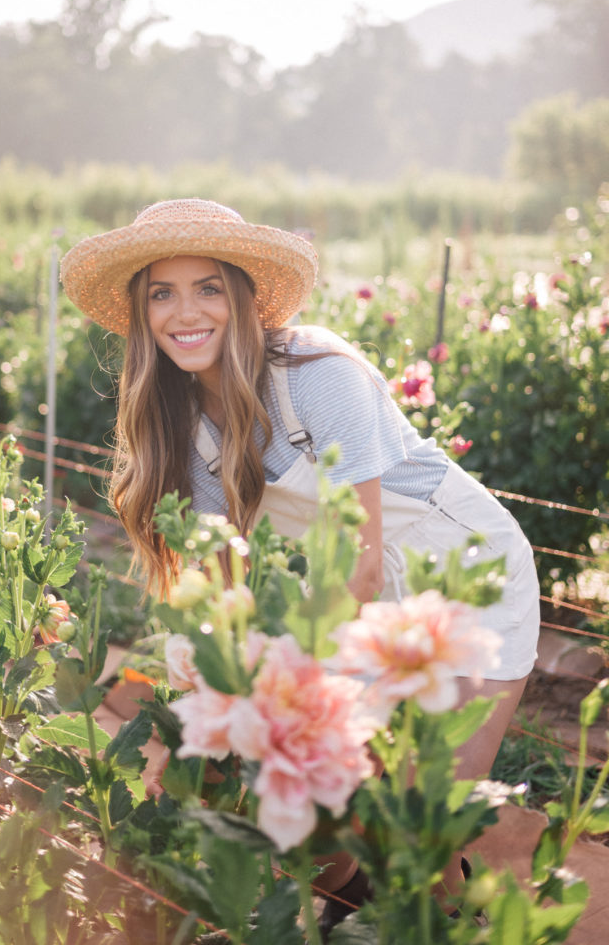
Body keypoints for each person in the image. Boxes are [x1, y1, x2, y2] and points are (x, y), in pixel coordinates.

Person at [60, 197, 540, 934]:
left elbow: (363, 565)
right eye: (163, 292)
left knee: (414, 832)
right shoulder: (185, 425)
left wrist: (289, 708)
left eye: (208, 287)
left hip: (461, 583)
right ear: (142, 311)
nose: (185, 312)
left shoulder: (318, 374)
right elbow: (221, 593)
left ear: (244, 296)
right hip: (352, 604)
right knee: (322, 845)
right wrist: (208, 716)